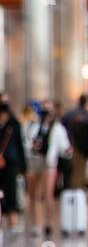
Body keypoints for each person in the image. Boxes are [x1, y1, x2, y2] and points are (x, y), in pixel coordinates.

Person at [24, 102, 66, 238]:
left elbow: (64, 148)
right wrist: (32, 147)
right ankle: (36, 224)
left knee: (48, 195)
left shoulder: (57, 128)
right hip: (33, 161)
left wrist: (66, 151)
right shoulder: (31, 126)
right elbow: (26, 143)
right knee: (33, 195)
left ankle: (48, 224)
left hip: (49, 162)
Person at [0, 103, 26, 232]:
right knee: (7, 191)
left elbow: (19, 145)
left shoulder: (14, 124)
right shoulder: (11, 124)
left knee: (11, 191)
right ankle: (9, 221)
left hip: (10, 163)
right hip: (7, 162)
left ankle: (12, 221)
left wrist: (22, 165)